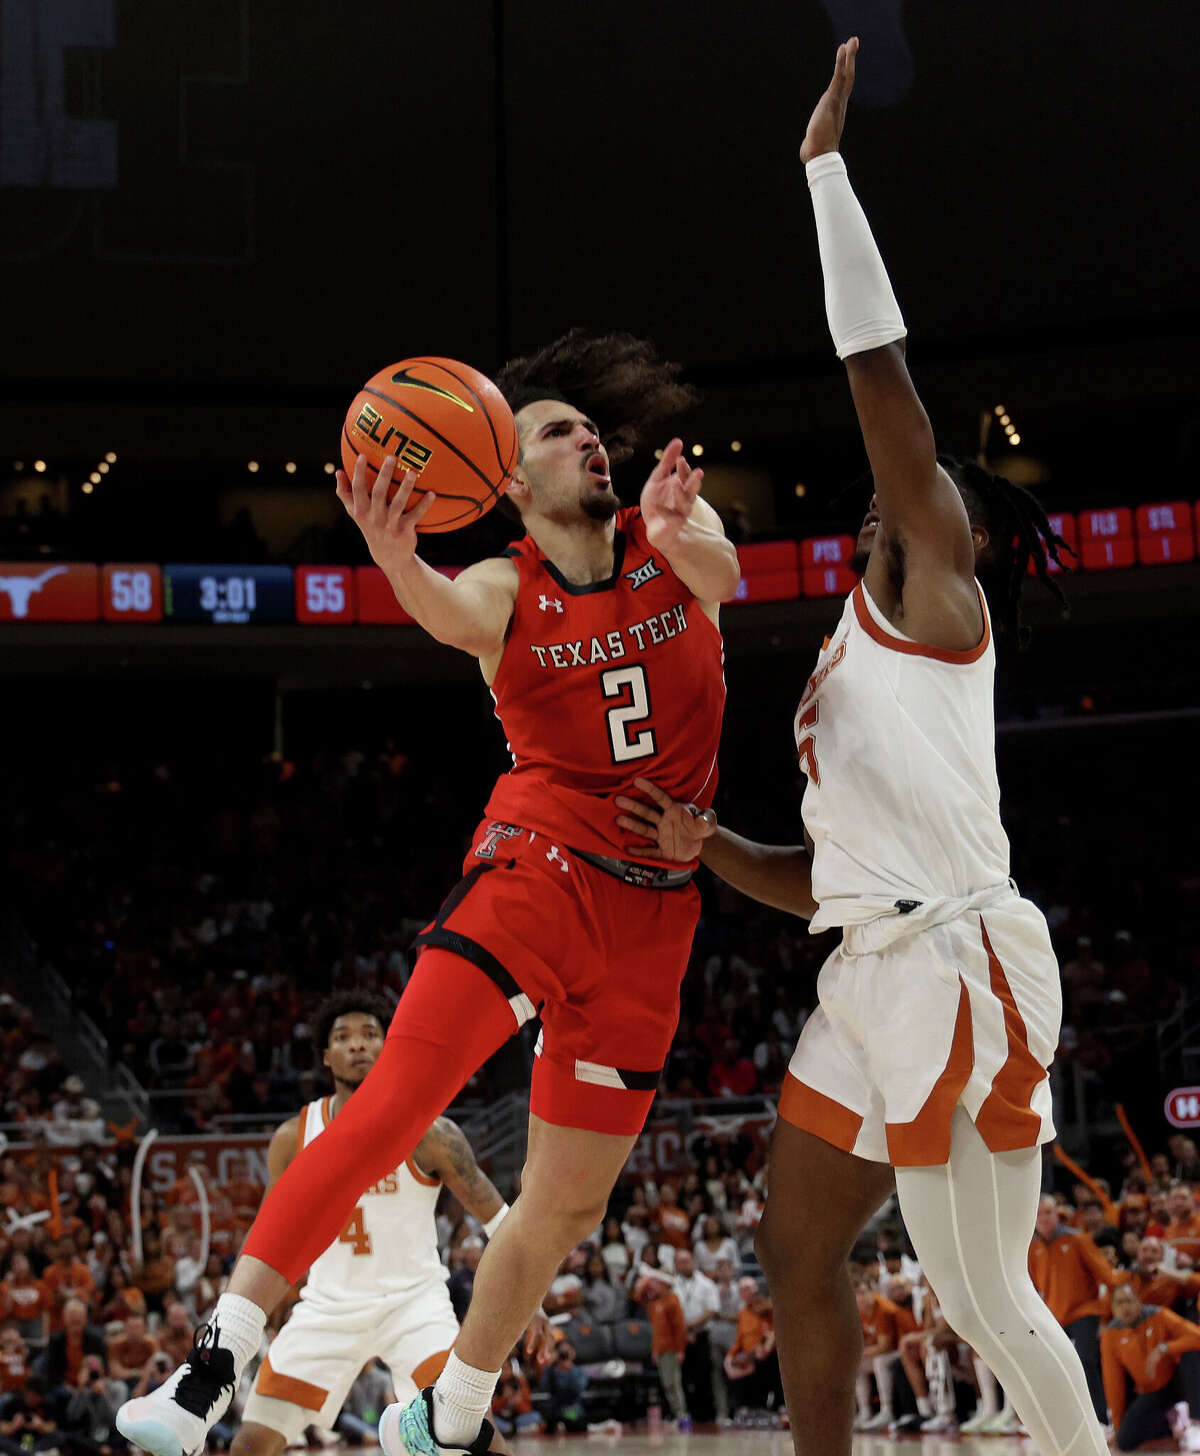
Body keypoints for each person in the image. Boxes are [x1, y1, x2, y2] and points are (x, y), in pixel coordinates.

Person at [612, 39, 1106, 1456]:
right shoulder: (846, 641)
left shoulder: (938, 591)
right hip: (870, 964)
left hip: (959, 961)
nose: (892, 501)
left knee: (984, 1299)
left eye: (917, 495)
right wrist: (711, 855)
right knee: (793, 1249)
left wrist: (826, 174)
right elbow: (822, 876)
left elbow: (878, 371)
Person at [117, 331, 737, 1456]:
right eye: (559, 432)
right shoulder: (506, 585)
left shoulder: (673, 538)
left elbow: (725, 577)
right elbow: (447, 614)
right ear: (508, 475)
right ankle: (209, 1368)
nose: (589, 443)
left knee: (563, 1206)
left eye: (593, 431)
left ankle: (446, 1414)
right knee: (393, 1105)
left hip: (657, 915)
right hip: (539, 870)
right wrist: (395, 555)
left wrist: (689, 522)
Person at [196, 991, 504, 1456]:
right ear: (325, 1055)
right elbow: (272, 1240)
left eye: (369, 1034)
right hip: (327, 1305)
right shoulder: (292, 1137)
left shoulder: (429, 1130)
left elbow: (500, 1219)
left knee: (468, 1428)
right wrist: (251, 1318)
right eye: (343, 1037)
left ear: (389, 1045)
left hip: (414, 1303)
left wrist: (534, 1304)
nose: (357, 1045)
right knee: (250, 1443)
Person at [1103, 1282, 1200, 1451]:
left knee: (1190, 1354)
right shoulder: (1110, 1335)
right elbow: (1113, 1383)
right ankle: (1174, 1421)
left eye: (1129, 1301)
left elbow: (1197, 1337)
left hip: (1177, 1382)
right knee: (1125, 1441)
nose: (1125, 1307)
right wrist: (1117, 1426)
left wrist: (1165, 1349)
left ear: (1139, 1301)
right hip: (1150, 1391)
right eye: (1119, 1303)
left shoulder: (1159, 1315)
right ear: (1112, 1308)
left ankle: (1195, 1421)